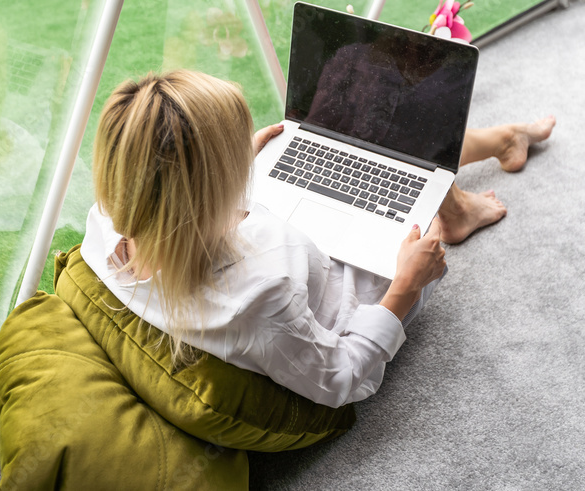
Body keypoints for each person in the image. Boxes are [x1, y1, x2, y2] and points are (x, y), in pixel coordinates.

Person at [80, 70, 554, 408]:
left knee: (341, 138)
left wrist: (232, 164)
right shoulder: (259, 296)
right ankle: (461, 204)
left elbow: (167, 196)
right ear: (207, 189)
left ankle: (497, 144)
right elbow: (342, 378)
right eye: (227, 162)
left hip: (273, 234)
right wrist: (407, 284)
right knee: (387, 133)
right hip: (362, 286)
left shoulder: (107, 223)